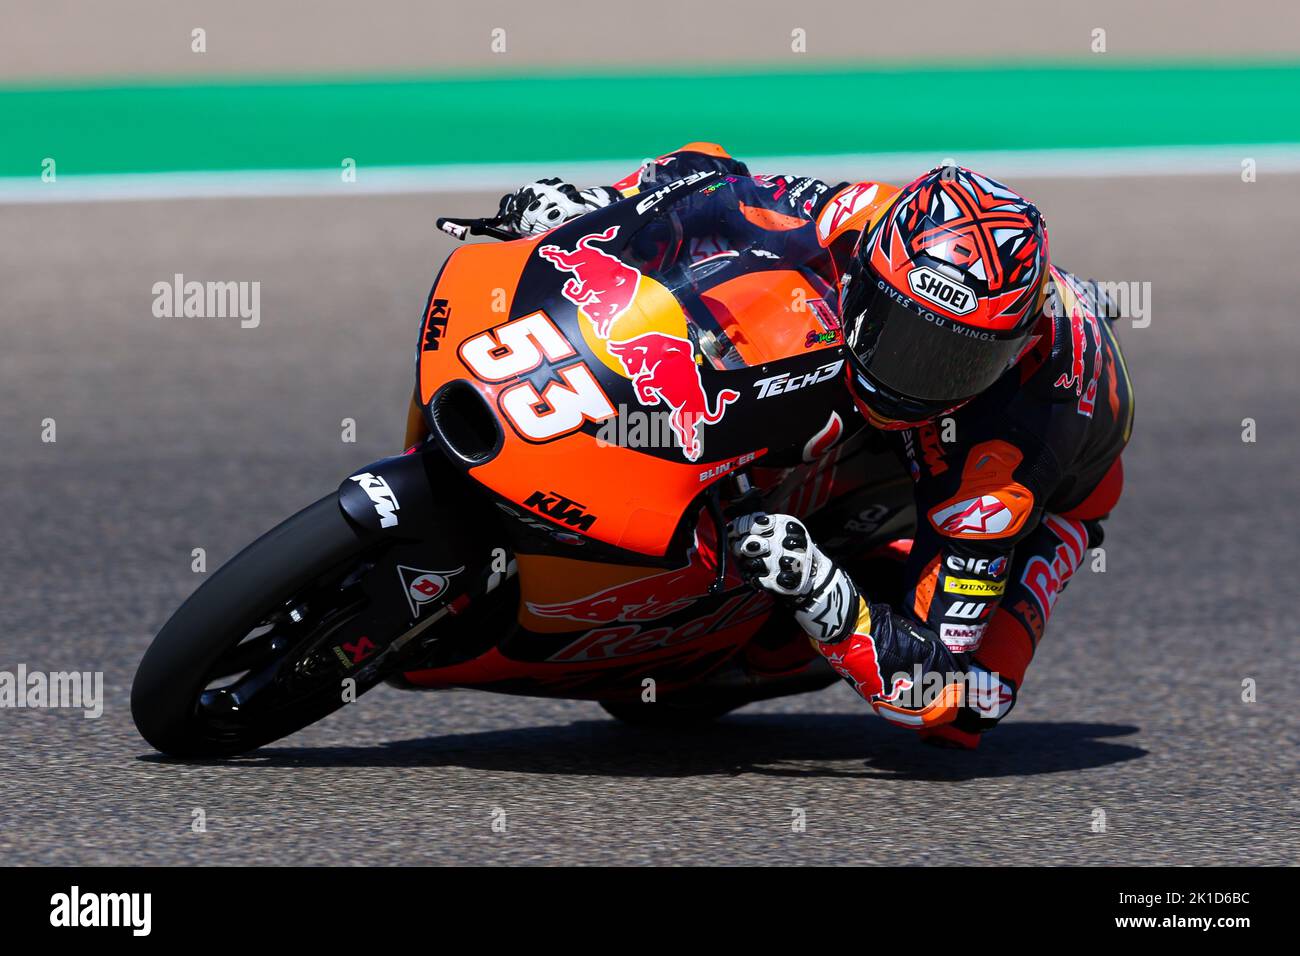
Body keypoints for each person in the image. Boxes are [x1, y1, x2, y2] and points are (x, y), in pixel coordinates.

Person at [492, 143, 1135, 748]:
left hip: (1048, 477)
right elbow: (709, 180)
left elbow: (936, 689)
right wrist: (594, 208)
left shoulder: (1002, 469)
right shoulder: (868, 217)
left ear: (1008, 353)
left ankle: (802, 616)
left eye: (953, 362)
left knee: (971, 711)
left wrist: (818, 589)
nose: (912, 376)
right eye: (900, 334)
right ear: (877, 268)